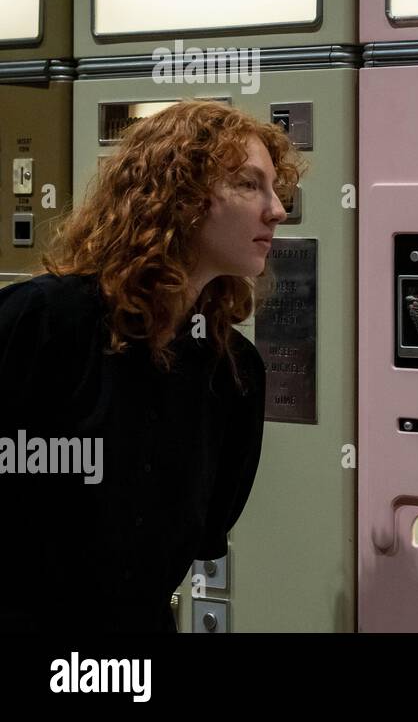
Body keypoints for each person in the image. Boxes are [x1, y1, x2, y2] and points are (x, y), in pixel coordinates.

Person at [0, 100, 302, 632]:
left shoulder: (234, 372)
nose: (276, 210)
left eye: (276, 189)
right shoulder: (43, 322)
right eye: (248, 185)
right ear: (179, 197)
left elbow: (204, 531)